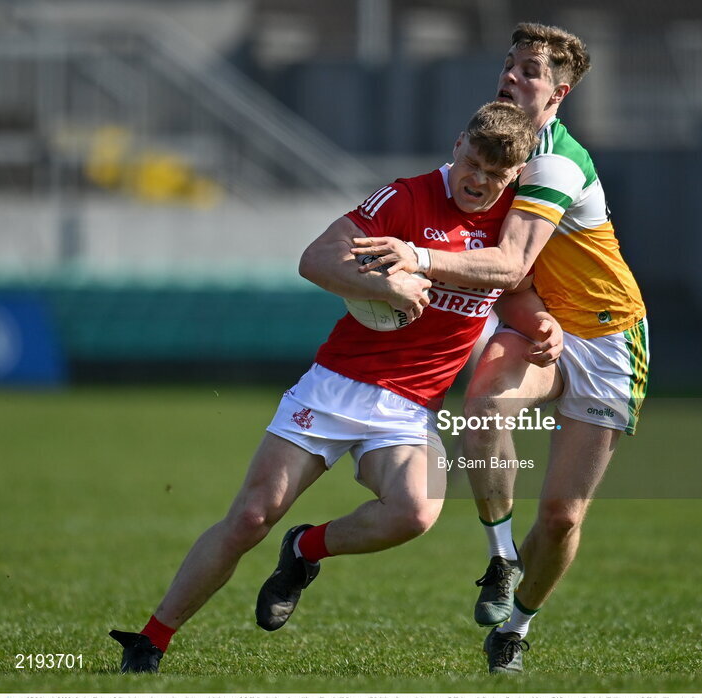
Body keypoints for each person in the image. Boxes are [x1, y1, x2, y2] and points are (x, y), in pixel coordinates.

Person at [108, 102, 559, 673]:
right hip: (335, 387)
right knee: (250, 517)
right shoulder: (405, 197)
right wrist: (384, 285)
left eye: (495, 175)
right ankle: (150, 641)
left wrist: (543, 321)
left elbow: (511, 284)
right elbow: (315, 258)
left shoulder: (514, 227)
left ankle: (304, 550)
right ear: (457, 145)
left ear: (516, 174)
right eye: (472, 162)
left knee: (415, 513)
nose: (478, 181)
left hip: (409, 409)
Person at [352, 23, 648, 674]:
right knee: (482, 410)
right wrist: (531, 313)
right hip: (542, 323)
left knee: (564, 516)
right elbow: (509, 282)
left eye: (532, 71)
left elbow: (509, 262)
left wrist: (417, 258)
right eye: (510, 66)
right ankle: (501, 557)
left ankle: (517, 626)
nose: (513, 77)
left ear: (560, 93)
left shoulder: (554, 164)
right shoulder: (495, 151)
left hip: (605, 337)